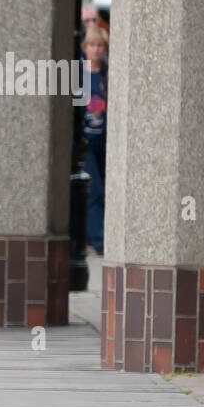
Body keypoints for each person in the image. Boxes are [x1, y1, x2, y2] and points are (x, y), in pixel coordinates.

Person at [82, 25, 109, 256]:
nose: (96, 50)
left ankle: (95, 235)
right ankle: (98, 240)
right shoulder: (79, 75)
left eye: (100, 45)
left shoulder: (108, 74)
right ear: (86, 48)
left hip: (104, 140)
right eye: (92, 45)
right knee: (95, 190)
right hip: (86, 141)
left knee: (105, 189)